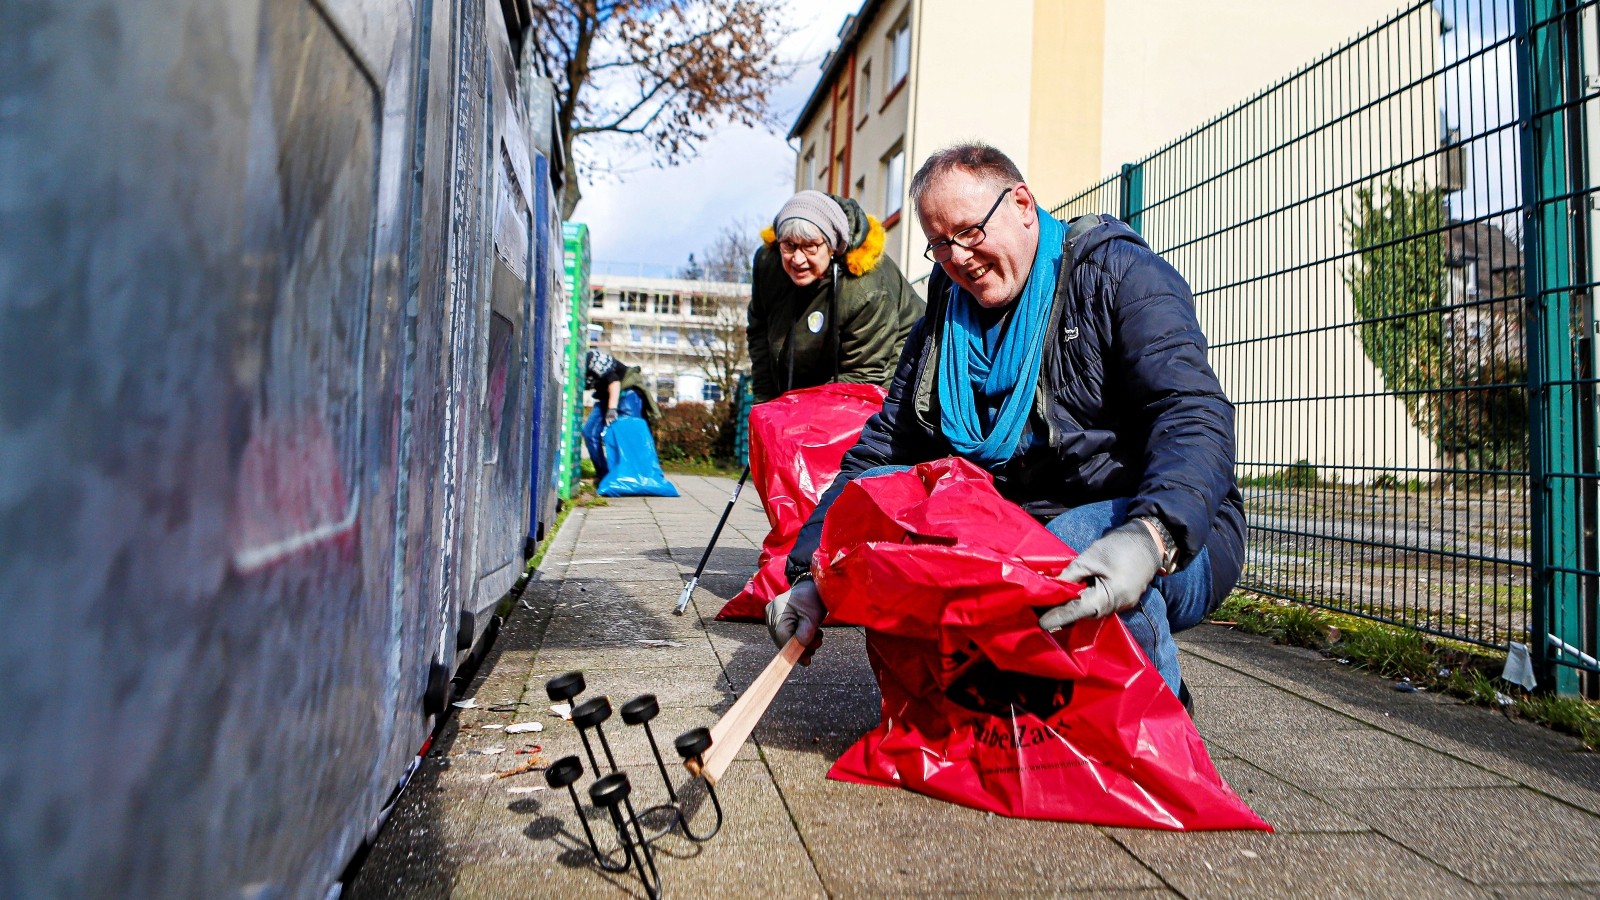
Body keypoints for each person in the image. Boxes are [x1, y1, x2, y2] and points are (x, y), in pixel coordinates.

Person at [766, 143, 1246, 705]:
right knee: (894, 518)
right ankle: (992, 705)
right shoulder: (941, 320)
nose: (958, 257)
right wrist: (812, 571)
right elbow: (880, 454)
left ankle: (1156, 720)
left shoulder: (1121, 277)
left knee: (1062, 550)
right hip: (1015, 531)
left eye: (969, 231)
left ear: (1021, 204)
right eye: (940, 243)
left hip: (1164, 533)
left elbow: (1192, 413)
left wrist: (1153, 533)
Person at [747, 190, 923, 403]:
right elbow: (759, 334)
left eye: (810, 247)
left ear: (832, 246)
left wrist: (800, 411)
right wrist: (765, 403)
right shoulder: (768, 263)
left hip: (894, 369)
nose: (798, 259)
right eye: (789, 246)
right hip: (821, 376)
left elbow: (863, 375)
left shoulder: (865, 287)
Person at [582, 350, 660, 479]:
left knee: (629, 435)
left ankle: (638, 476)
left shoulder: (592, 359)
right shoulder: (572, 371)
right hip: (606, 396)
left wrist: (612, 409)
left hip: (626, 392)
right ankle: (604, 475)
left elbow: (614, 381)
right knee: (589, 432)